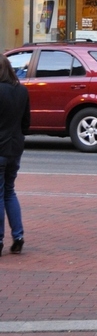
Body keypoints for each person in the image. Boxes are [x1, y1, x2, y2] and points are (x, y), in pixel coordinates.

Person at [0, 53, 30, 256]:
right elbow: (26, 123)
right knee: (9, 191)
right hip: (15, 147)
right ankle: (18, 236)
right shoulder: (22, 90)